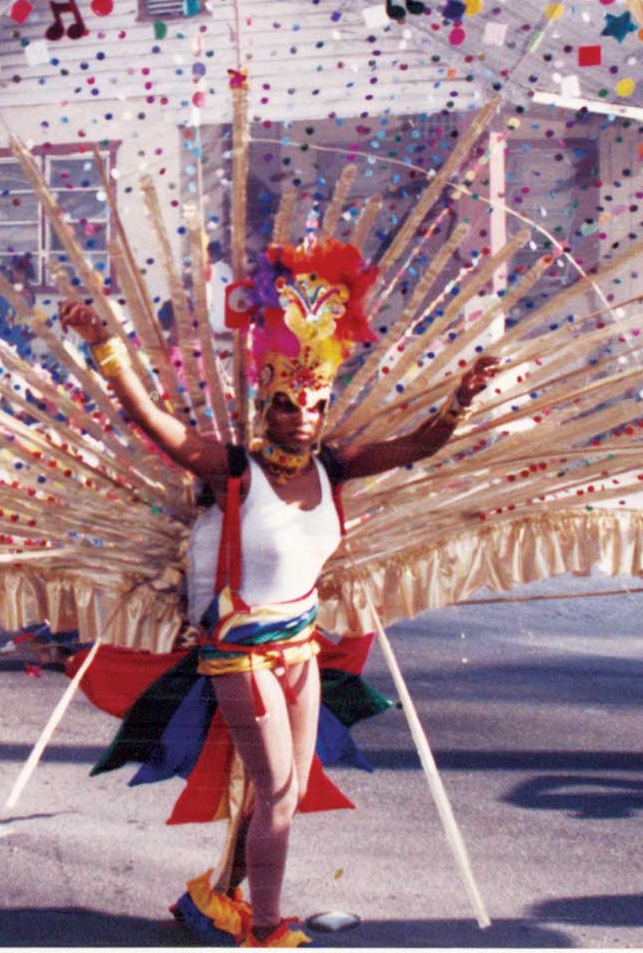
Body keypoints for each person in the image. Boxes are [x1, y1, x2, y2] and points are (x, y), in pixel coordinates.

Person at [59, 236, 498, 948]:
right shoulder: (232, 468)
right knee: (276, 794)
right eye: (288, 405)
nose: (301, 417)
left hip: (298, 643)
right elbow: (156, 425)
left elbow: (415, 448)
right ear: (266, 405)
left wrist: (460, 399)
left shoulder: (335, 466)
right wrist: (108, 346)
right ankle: (263, 928)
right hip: (238, 652)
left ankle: (215, 895)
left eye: (313, 406)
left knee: (287, 792)